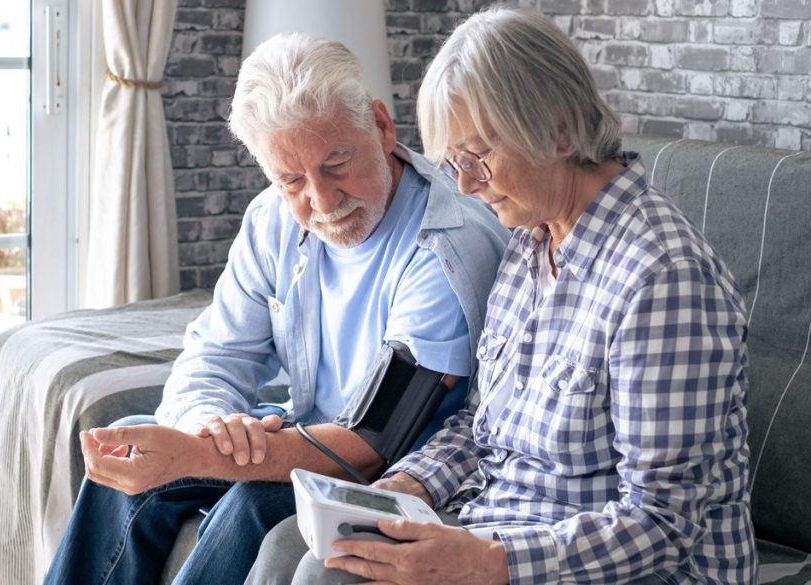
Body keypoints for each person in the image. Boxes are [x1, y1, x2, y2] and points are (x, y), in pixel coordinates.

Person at [247, 7, 756, 585]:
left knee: (331, 576)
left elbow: (664, 523)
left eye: (479, 156)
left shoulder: (664, 279)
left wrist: (488, 563)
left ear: (559, 130)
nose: (464, 185)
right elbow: (479, 427)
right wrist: (397, 490)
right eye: (454, 162)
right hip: (501, 524)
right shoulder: (531, 239)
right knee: (293, 540)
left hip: (624, 568)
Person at [42, 33, 509, 585]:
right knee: (129, 444)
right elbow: (216, 353)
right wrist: (209, 428)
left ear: (382, 127)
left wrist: (204, 458)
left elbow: (367, 446)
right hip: (310, 438)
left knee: (253, 504)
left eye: (337, 164)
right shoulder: (272, 220)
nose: (323, 201)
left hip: (399, 469)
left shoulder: (448, 246)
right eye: (291, 179)